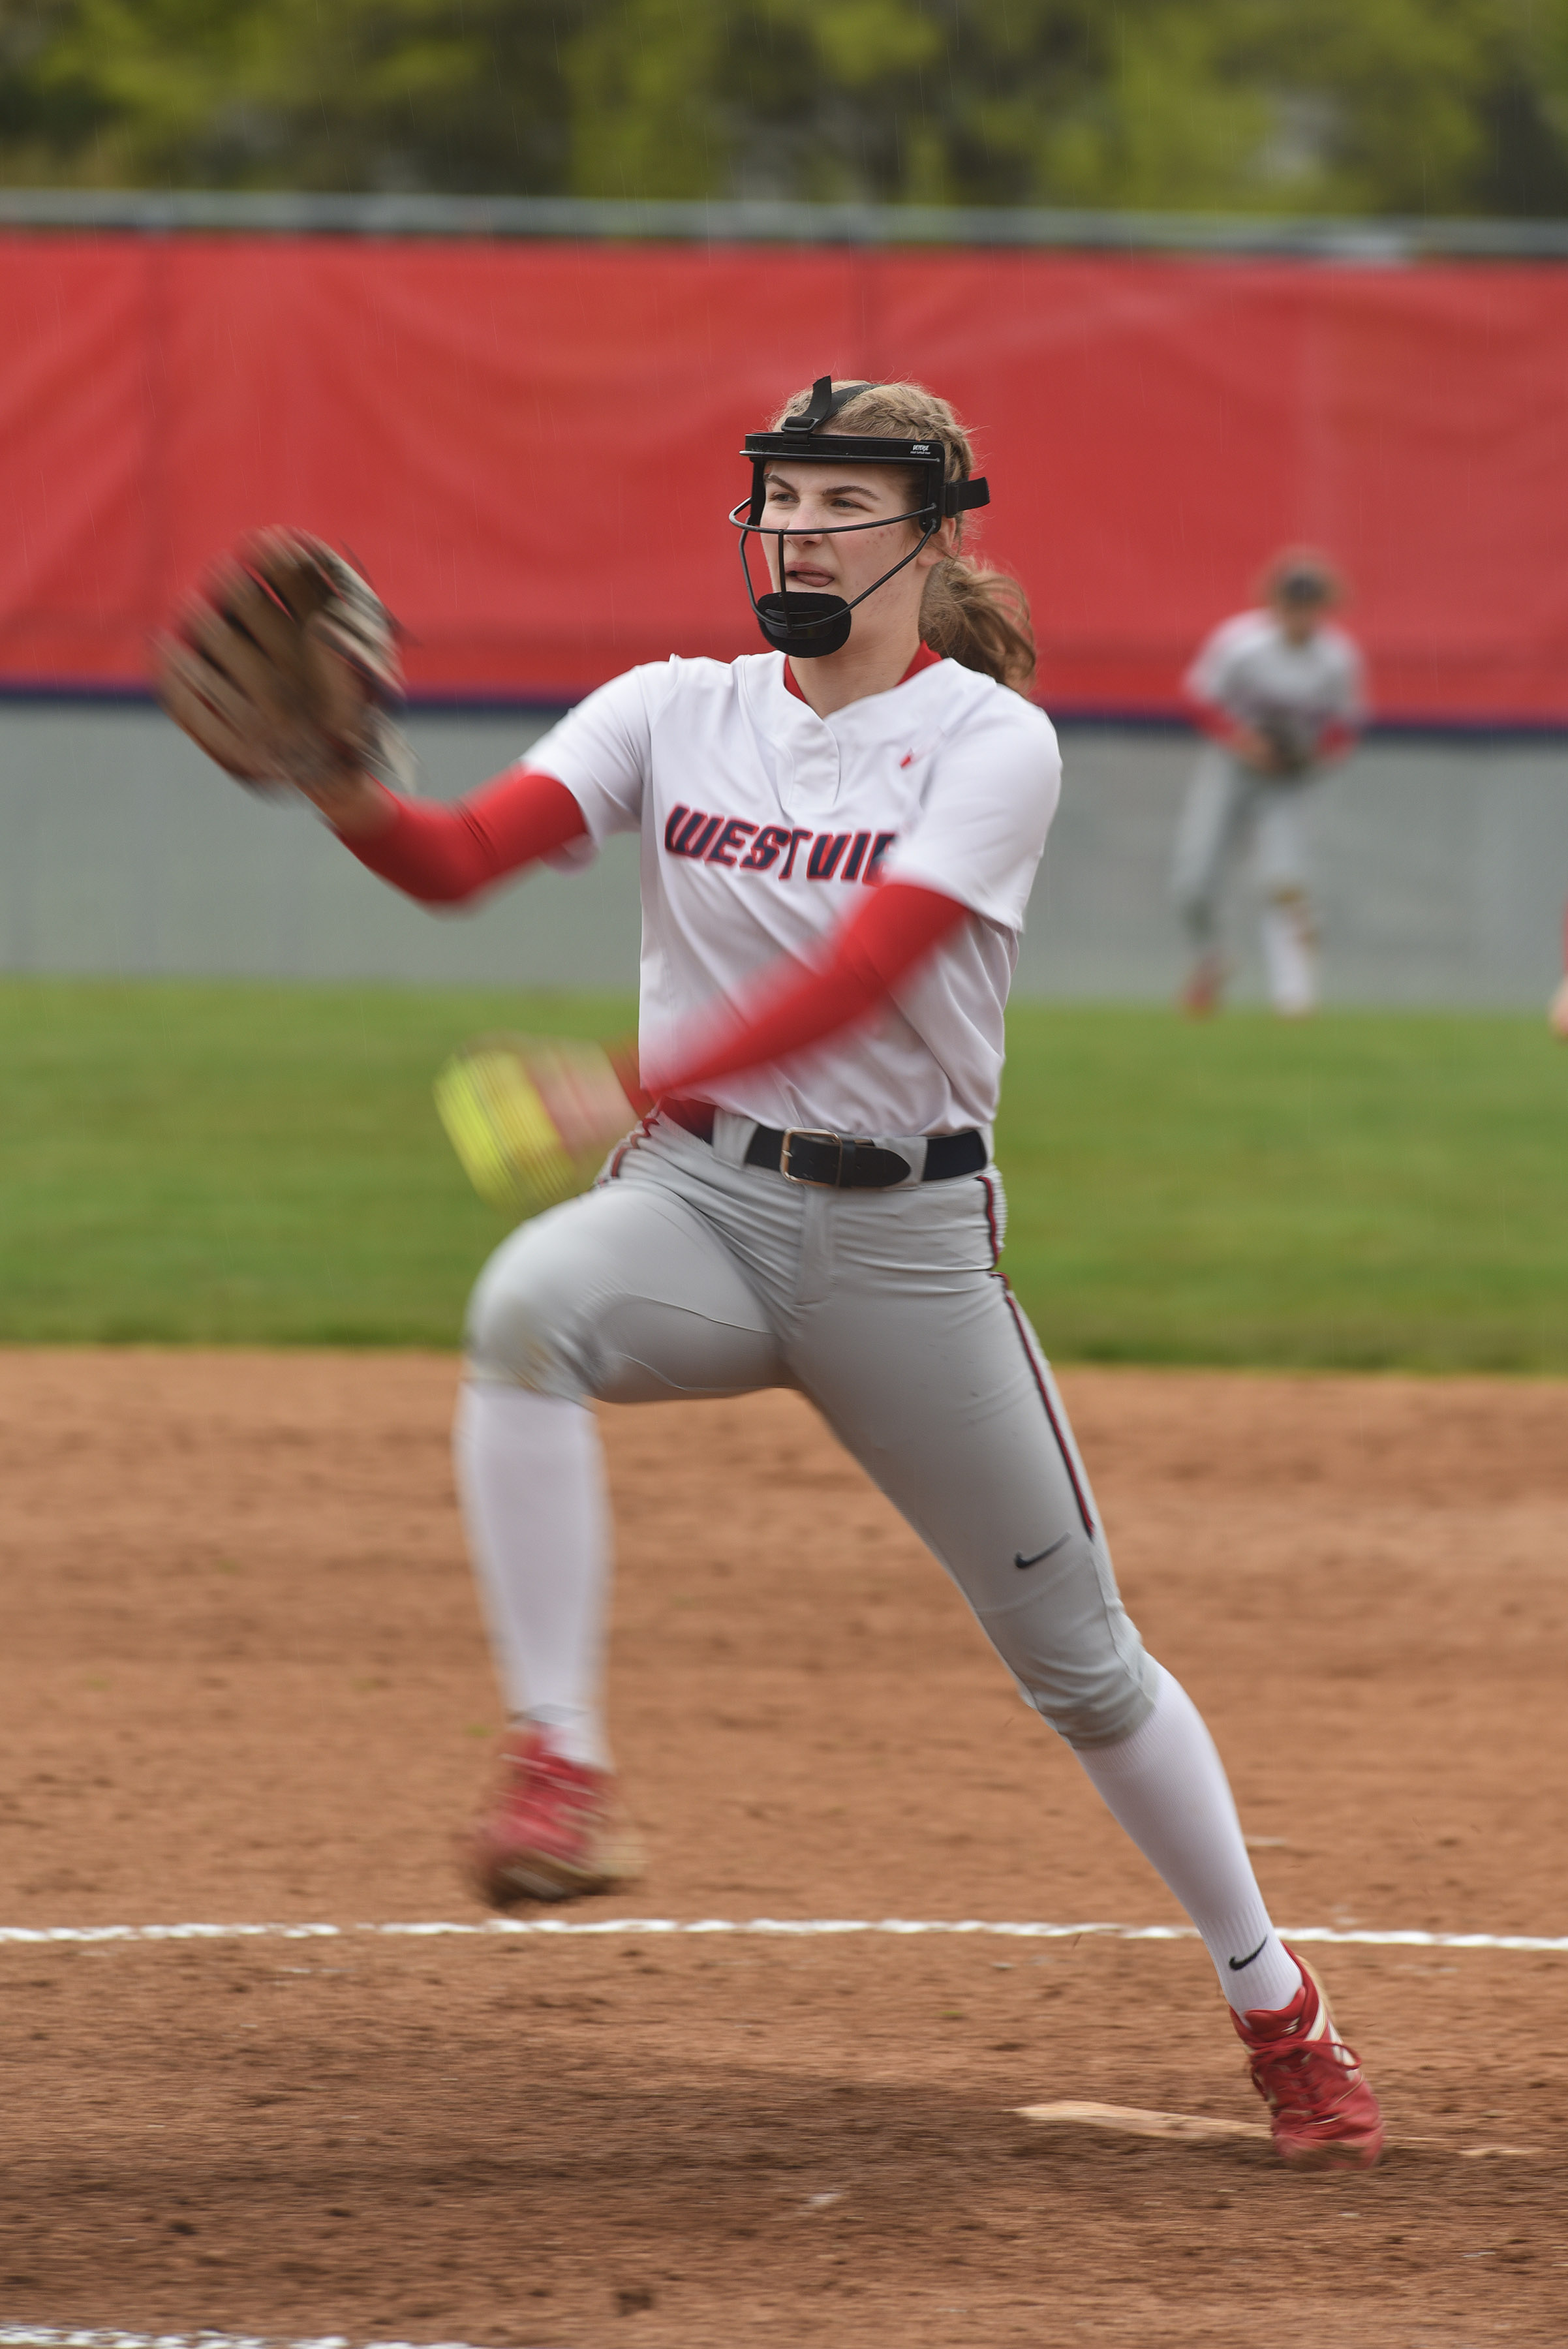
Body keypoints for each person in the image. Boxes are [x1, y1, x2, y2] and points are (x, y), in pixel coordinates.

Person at [271, 376, 1384, 2170]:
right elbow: (459, 858)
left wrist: (629, 1072)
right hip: (700, 1216)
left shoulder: (986, 742)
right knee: (524, 1311)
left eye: (840, 502)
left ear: (932, 534)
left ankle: (1275, 2004)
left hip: (906, 1254)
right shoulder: (671, 709)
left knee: (1084, 1667)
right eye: (777, 499)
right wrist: (336, 775)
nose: (795, 531)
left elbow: (878, 965)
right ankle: (559, 1765)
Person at [1172, 551, 1366, 1018]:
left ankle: (1294, 998)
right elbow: (1198, 700)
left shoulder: (1335, 657)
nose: (1300, 613)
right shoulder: (1242, 643)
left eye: (1310, 603)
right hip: (1232, 768)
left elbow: (1343, 727)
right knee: (1193, 880)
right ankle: (1210, 959)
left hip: (1289, 778)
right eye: (1292, 601)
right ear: (1274, 601)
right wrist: (1242, 740)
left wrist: (1314, 755)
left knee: (1285, 882)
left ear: (1323, 606)